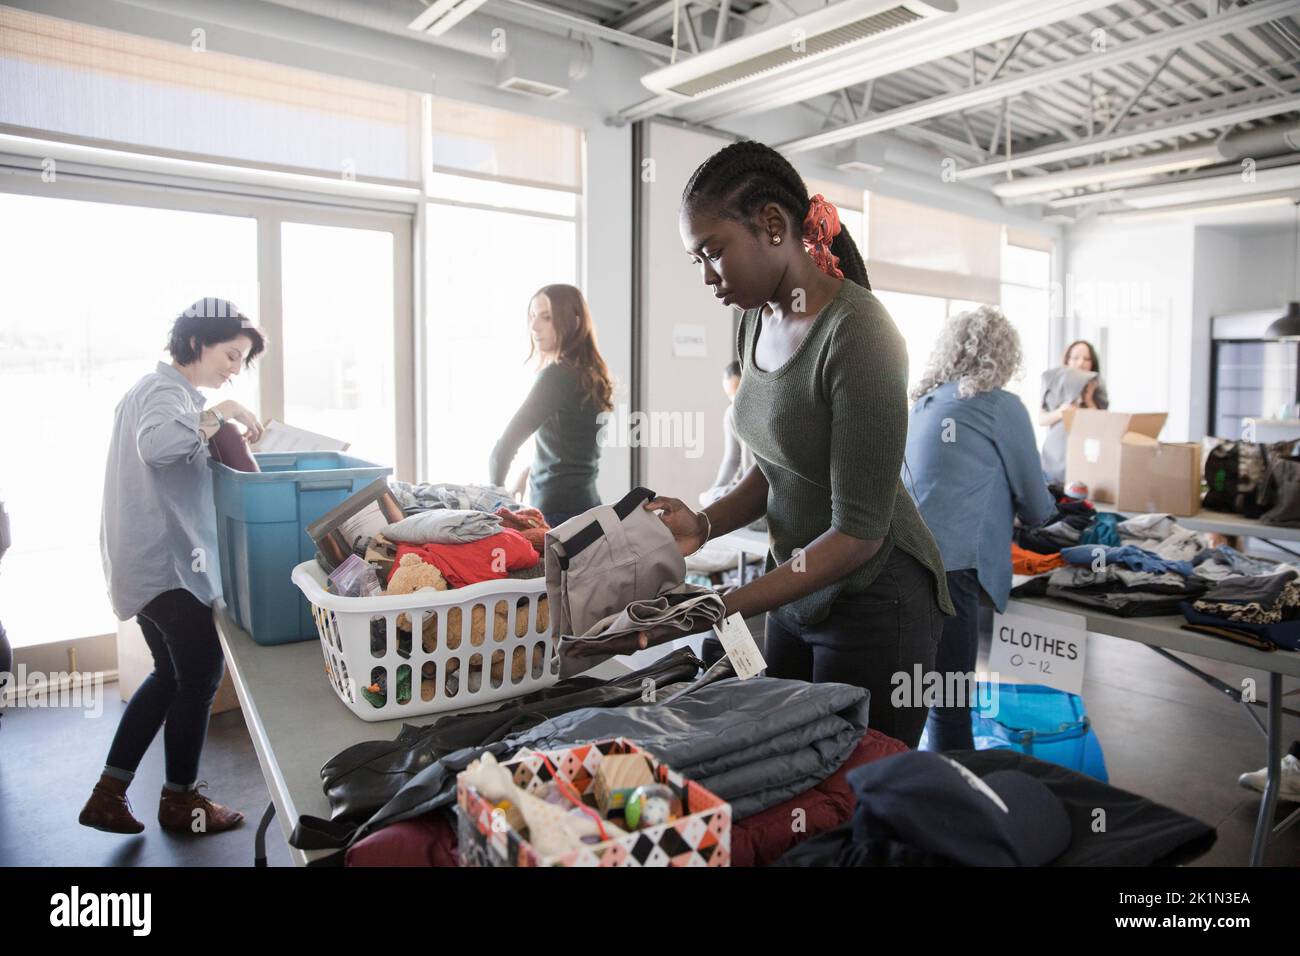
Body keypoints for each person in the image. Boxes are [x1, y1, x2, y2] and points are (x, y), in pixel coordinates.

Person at [638, 139, 953, 748]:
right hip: (801, 593)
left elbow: (859, 534)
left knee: (856, 796)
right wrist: (701, 524)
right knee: (785, 777)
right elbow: (774, 469)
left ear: (773, 226)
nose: (707, 276)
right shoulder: (757, 320)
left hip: (876, 601)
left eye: (713, 253)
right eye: (695, 260)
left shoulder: (860, 334)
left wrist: (727, 603)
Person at [79, 298, 264, 836]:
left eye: (241, 360)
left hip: (145, 565)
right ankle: (181, 803)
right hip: (167, 569)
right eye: (231, 355)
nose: (234, 369)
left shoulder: (156, 392)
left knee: (169, 676)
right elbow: (158, 447)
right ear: (194, 343)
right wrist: (222, 414)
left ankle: (108, 794)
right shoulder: (167, 394)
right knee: (201, 674)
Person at [904, 306, 1056, 751]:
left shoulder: (925, 403)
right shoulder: (1000, 406)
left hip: (899, 560)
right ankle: (956, 810)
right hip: (951, 571)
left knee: (917, 702)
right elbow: (1037, 508)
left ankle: (908, 799)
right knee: (951, 710)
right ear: (1005, 356)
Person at [489, 284, 614, 529]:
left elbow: (504, 447)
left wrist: (494, 503)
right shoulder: (591, 372)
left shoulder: (557, 376)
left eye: (546, 317)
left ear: (573, 320)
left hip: (557, 515)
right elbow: (570, 445)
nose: (534, 326)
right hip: (588, 507)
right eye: (532, 316)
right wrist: (529, 473)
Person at [1039, 339, 1109, 484]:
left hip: (1086, 460)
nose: (1081, 363)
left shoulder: (1098, 388)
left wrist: (1089, 400)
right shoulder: (1053, 384)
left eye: (1086, 359)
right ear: (1067, 360)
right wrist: (1061, 411)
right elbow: (1042, 420)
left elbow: (1104, 425)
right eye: (1075, 358)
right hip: (1054, 458)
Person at [698, 360, 754, 507]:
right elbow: (731, 459)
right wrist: (715, 488)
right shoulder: (730, 414)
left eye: (738, 392)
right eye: (730, 395)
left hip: (758, 489)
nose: (734, 400)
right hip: (741, 486)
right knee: (709, 497)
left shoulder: (761, 411)